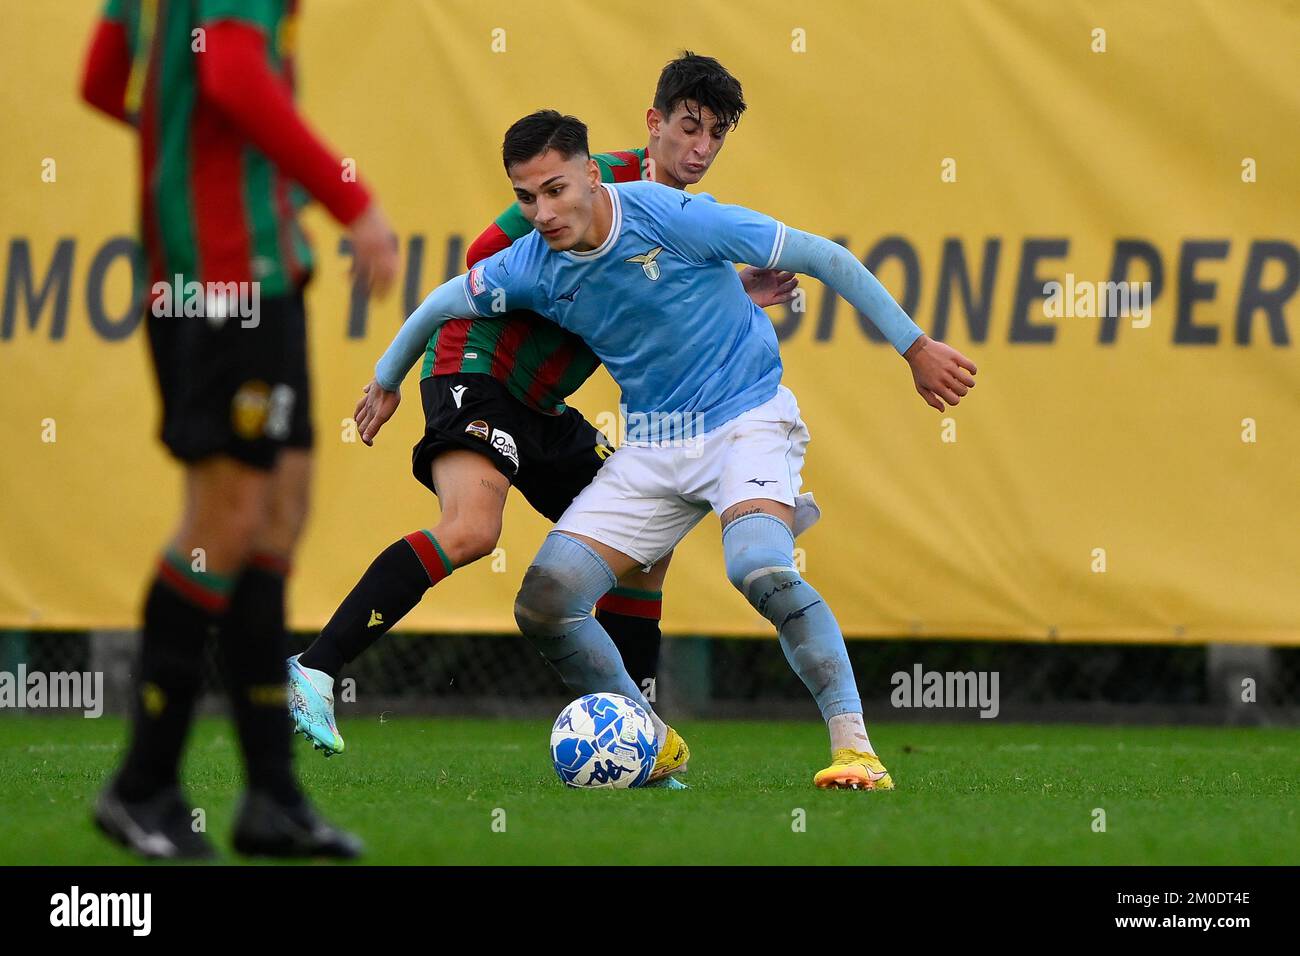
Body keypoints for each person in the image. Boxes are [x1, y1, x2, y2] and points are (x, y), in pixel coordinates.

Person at [356, 110, 978, 789]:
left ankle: (855, 749)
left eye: (557, 189)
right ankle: (650, 743)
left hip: (745, 421)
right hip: (652, 445)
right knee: (545, 602)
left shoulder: (671, 215)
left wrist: (916, 347)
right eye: (526, 198)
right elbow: (439, 305)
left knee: (760, 569)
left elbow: (822, 257)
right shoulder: (533, 264)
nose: (543, 211)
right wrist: (386, 382)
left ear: (593, 176)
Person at [288, 54, 796, 776]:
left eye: (715, 136)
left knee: (643, 555)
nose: (700, 149)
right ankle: (312, 669)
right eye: (688, 129)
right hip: (476, 371)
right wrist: (390, 377)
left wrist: (736, 285)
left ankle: (642, 739)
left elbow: (658, 298)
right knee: (471, 529)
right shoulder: (593, 179)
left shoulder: (673, 219)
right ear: (655, 125)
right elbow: (484, 256)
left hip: (544, 404)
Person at [80, 0, 399, 857]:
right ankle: (142, 786)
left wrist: (194, 146)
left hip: (254, 270)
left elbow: (104, 78)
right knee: (222, 522)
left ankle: (271, 800)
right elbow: (227, 67)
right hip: (222, 278)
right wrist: (353, 202)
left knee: (273, 521)